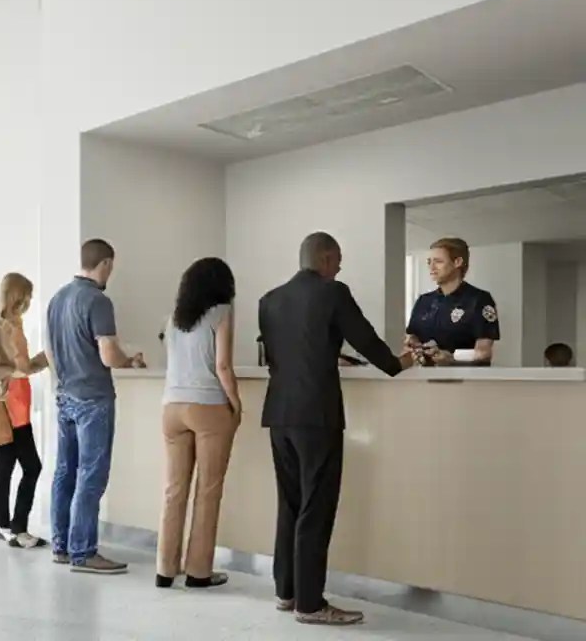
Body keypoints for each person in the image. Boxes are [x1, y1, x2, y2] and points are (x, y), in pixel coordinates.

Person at [258, 232, 414, 626]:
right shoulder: (333, 292)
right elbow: (367, 341)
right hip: (317, 414)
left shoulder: (269, 299)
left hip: (279, 412)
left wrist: (328, 355)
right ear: (325, 258)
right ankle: (310, 604)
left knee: (290, 504)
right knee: (316, 507)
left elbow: (279, 356)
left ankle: (286, 592)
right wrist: (400, 363)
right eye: (338, 259)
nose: (341, 266)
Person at [46, 239, 145, 575]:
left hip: (65, 396)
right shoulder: (98, 301)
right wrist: (129, 361)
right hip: (93, 399)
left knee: (65, 472)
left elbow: (50, 352)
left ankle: (61, 546)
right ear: (105, 264)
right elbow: (108, 355)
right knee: (91, 474)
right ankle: (84, 552)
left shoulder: (57, 299)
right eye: (110, 267)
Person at [157, 258, 241, 590]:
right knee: (208, 490)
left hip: (171, 407)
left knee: (174, 489)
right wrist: (236, 404)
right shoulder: (222, 312)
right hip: (207, 406)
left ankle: (165, 569)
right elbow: (223, 366)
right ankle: (198, 572)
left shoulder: (173, 319)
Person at [0, 272, 50, 549]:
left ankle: (9, 526)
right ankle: (13, 527)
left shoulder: (13, 325)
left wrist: (38, 362)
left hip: (19, 406)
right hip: (7, 409)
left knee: (10, 467)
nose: (28, 303)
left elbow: (22, 367)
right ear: (14, 297)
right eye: (25, 297)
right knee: (24, 467)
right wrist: (26, 368)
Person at [404, 237, 500, 366]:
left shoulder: (479, 299)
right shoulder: (423, 301)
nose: (431, 267)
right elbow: (411, 338)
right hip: (425, 376)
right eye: (429, 262)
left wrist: (453, 358)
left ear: (457, 262)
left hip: (465, 377)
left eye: (438, 261)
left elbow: (484, 353)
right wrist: (413, 344)